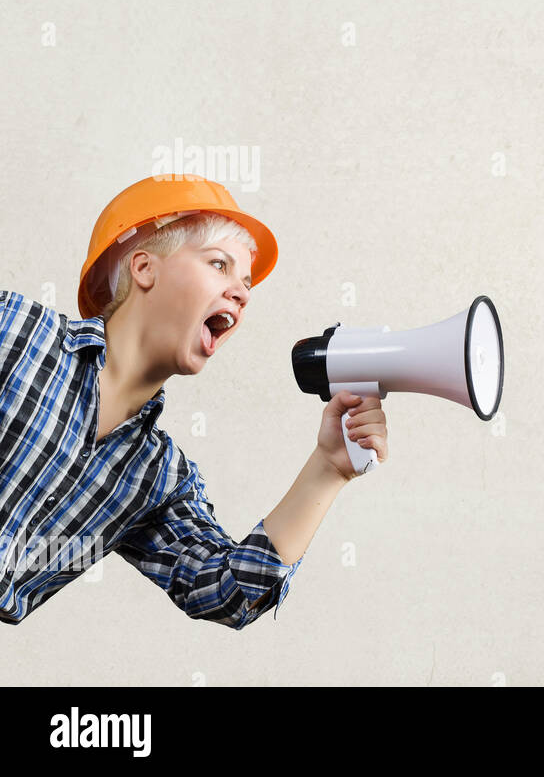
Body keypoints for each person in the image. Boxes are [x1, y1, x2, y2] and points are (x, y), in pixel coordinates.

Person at [0, 174, 388, 629]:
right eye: (219, 265)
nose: (242, 293)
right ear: (144, 269)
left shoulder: (157, 477)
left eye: (247, 283)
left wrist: (328, 469)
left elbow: (225, 592)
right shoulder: (15, 329)